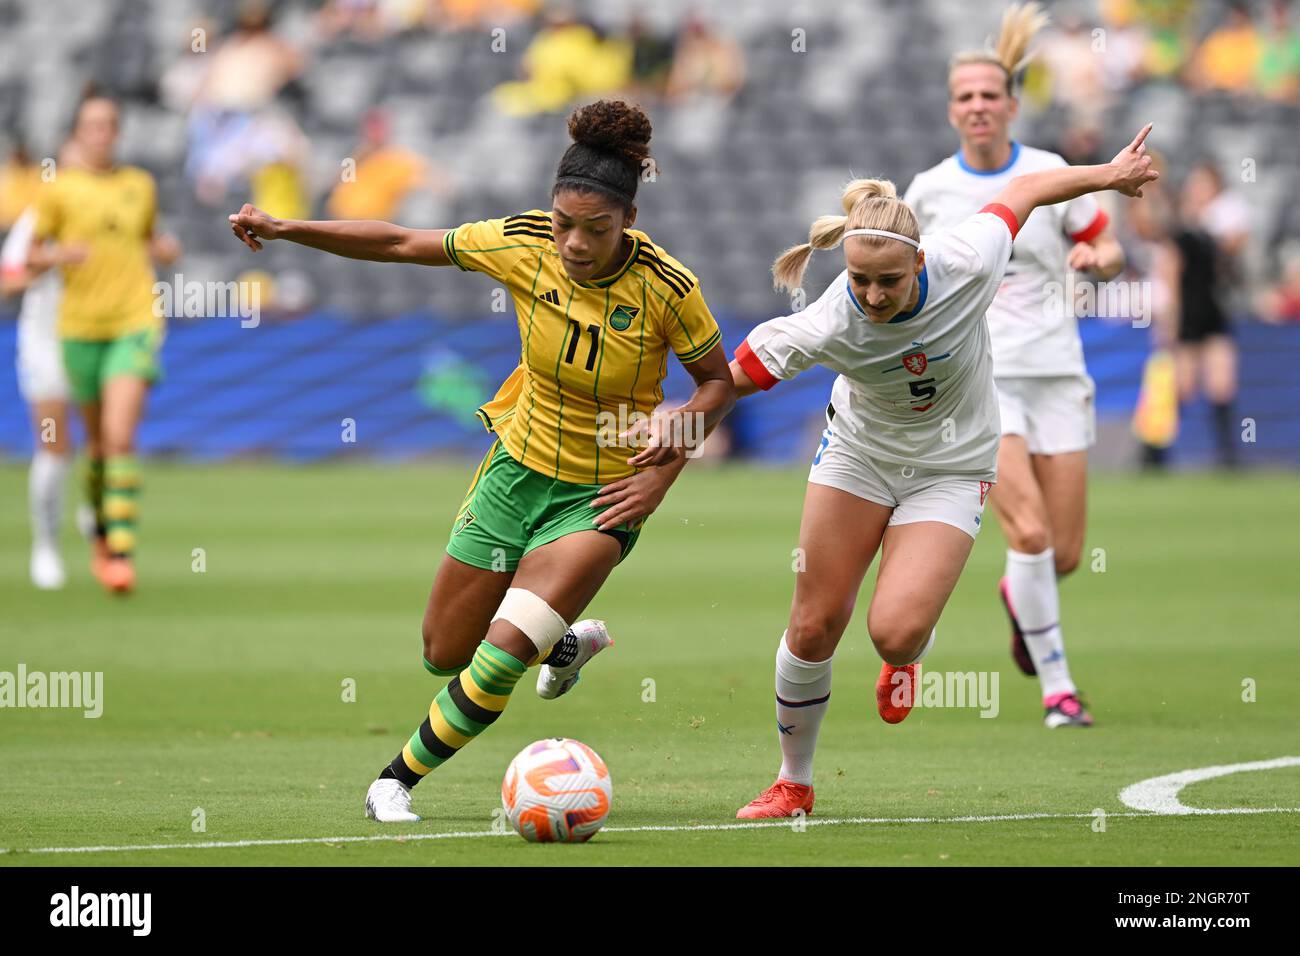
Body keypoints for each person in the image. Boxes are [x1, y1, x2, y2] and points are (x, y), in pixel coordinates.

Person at [228, 100, 735, 823]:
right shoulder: (522, 243)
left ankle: (392, 782)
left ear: (627, 220)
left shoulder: (667, 287)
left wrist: (662, 470)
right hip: (515, 472)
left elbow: (717, 383)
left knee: (497, 656)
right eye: (563, 224)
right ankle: (562, 644)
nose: (574, 244)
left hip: (602, 495)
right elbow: (402, 241)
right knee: (444, 650)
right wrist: (287, 228)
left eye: (595, 230)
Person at [727, 125, 1157, 819]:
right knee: (812, 626)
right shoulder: (834, 316)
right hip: (858, 456)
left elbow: (1025, 190)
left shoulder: (968, 256)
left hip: (953, 466)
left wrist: (1108, 175)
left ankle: (908, 655)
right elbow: (742, 370)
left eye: (887, 280)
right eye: (860, 279)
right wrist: (679, 416)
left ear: (920, 260)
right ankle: (793, 782)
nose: (872, 294)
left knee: (894, 632)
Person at [903, 2, 1126, 727]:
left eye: (988, 96)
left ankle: (1021, 600)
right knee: (1026, 536)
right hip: (981, 383)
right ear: (951, 110)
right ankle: (1060, 692)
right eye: (964, 97)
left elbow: (1107, 239)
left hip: (1059, 373)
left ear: (1011, 104)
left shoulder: (1051, 170)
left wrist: (1098, 256)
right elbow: (904, 276)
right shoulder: (932, 190)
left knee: (1061, 553)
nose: (976, 107)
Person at [29, 95, 181, 595]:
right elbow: (27, 256)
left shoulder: (140, 184)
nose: (101, 133)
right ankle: (100, 534)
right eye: (91, 125)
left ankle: (119, 549)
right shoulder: (59, 190)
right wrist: (56, 254)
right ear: (78, 133)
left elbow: (150, 236)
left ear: (117, 132)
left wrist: (163, 247)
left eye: (108, 125)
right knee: (95, 445)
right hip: (79, 328)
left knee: (119, 436)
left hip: (134, 321)